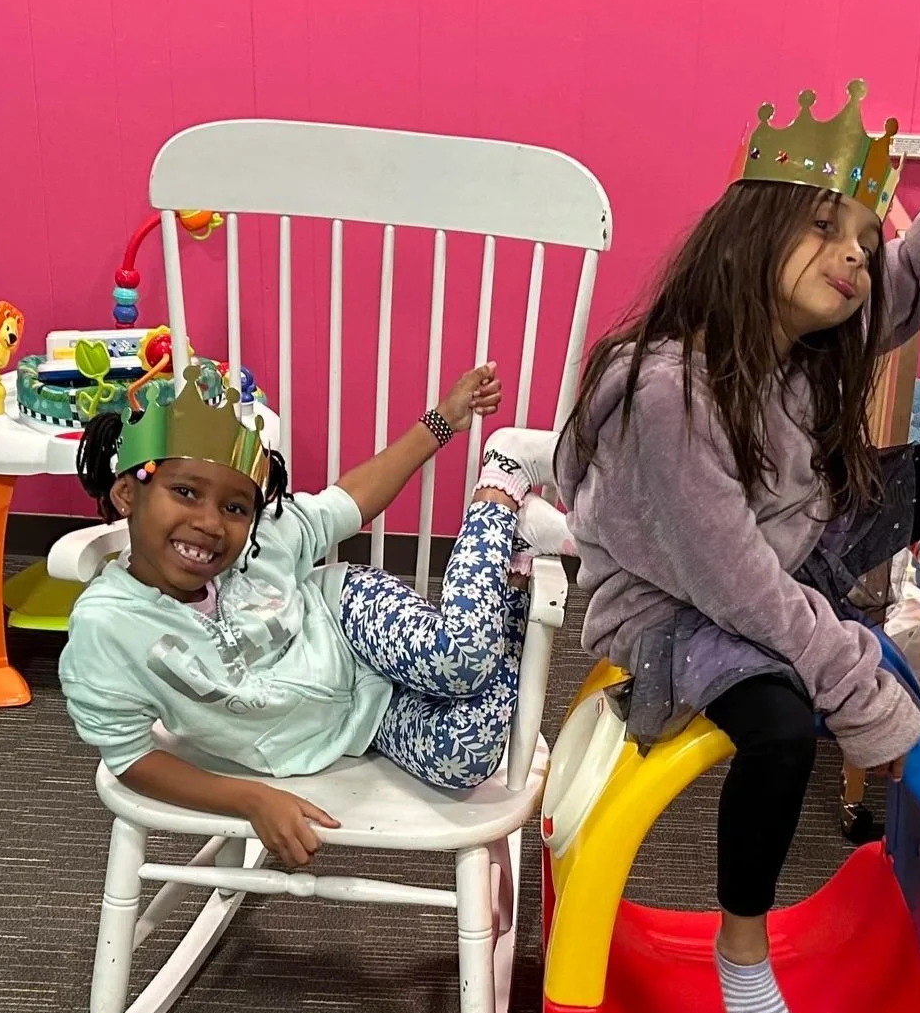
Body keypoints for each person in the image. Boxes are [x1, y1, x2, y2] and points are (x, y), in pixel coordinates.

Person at [555, 81, 920, 1013]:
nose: (852, 255)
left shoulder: (807, 346)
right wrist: (856, 688)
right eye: (824, 228)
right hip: (675, 606)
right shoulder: (666, 391)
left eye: (860, 236)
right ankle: (742, 943)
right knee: (775, 722)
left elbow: (904, 279)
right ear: (751, 235)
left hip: (774, 552)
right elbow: (736, 588)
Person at [60, 356, 570, 868]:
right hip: (355, 723)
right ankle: (513, 560)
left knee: (460, 659)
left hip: (348, 620)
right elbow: (130, 756)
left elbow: (348, 502)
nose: (210, 523)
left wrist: (440, 421)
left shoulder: (262, 542)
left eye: (235, 508)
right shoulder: (108, 626)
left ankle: (502, 476)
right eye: (185, 492)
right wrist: (249, 798)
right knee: (466, 758)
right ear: (126, 493)